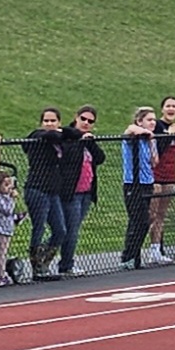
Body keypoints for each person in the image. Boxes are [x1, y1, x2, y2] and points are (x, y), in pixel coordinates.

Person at [58, 105, 105, 276]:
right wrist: (80, 139)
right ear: (76, 117)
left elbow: (100, 158)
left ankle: (64, 262)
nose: (86, 123)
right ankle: (65, 265)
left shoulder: (88, 139)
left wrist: (89, 143)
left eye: (90, 121)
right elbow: (68, 155)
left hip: (86, 191)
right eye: (83, 119)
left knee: (73, 229)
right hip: (72, 192)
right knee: (69, 230)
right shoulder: (67, 136)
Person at [23, 107, 69, 279]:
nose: (49, 124)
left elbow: (72, 135)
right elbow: (50, 136)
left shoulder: (60, 141)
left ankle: (44, 261)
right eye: (46, 121)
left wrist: (65, 133)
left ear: (59, 122)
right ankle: (36, 267)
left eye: (53, 121)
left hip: (53, 191)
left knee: (60, 229)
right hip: (37, 189)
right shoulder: (37, 136)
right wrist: (61, 133)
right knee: (39, 227)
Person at [148, 95, 175, 263]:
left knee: (161, 216)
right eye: (168, 106)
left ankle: (156, 251)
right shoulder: (157, 126)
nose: (171, 109)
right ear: (162, 109)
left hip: (170, 176)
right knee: (150, 215)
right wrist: (167, 134)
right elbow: (156, 149)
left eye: (174, 106)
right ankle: (134, 251)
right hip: (155, 176)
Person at [121, 107, 158, 269]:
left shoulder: (150, 139)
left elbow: (154, 161)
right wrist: (143, 132)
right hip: (133, 183)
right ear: (140, 121)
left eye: (154, 120)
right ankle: (127, 256)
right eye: (149, 120)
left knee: (142, 221)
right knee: (140, 221)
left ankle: (134, 258)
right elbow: (130, 129)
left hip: (147, 182)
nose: (153, 122)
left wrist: (151, 141)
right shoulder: (133, 136)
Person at [0, 169, 25, 286]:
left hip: (7, 228)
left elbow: (10, 215)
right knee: (1, 253)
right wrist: (12, 198)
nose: (9, 188)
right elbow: (7, 211)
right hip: (1, 229)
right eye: (6, 185)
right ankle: (0, 274)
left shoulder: (3, 197)